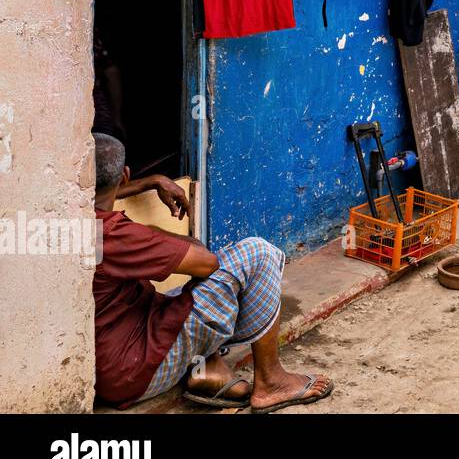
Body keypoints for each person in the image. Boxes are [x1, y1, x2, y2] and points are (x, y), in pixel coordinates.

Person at [92, 132, 333, 413]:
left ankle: (207, 364)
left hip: (109, 361)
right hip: (134, 370)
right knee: (258, 253)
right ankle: (271, 382)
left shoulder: (64, 219)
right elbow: (205, 263)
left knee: (178, 295)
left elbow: (95, 195)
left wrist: (149, 181)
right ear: (124, 175)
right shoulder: (113, 233)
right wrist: (155, 235)